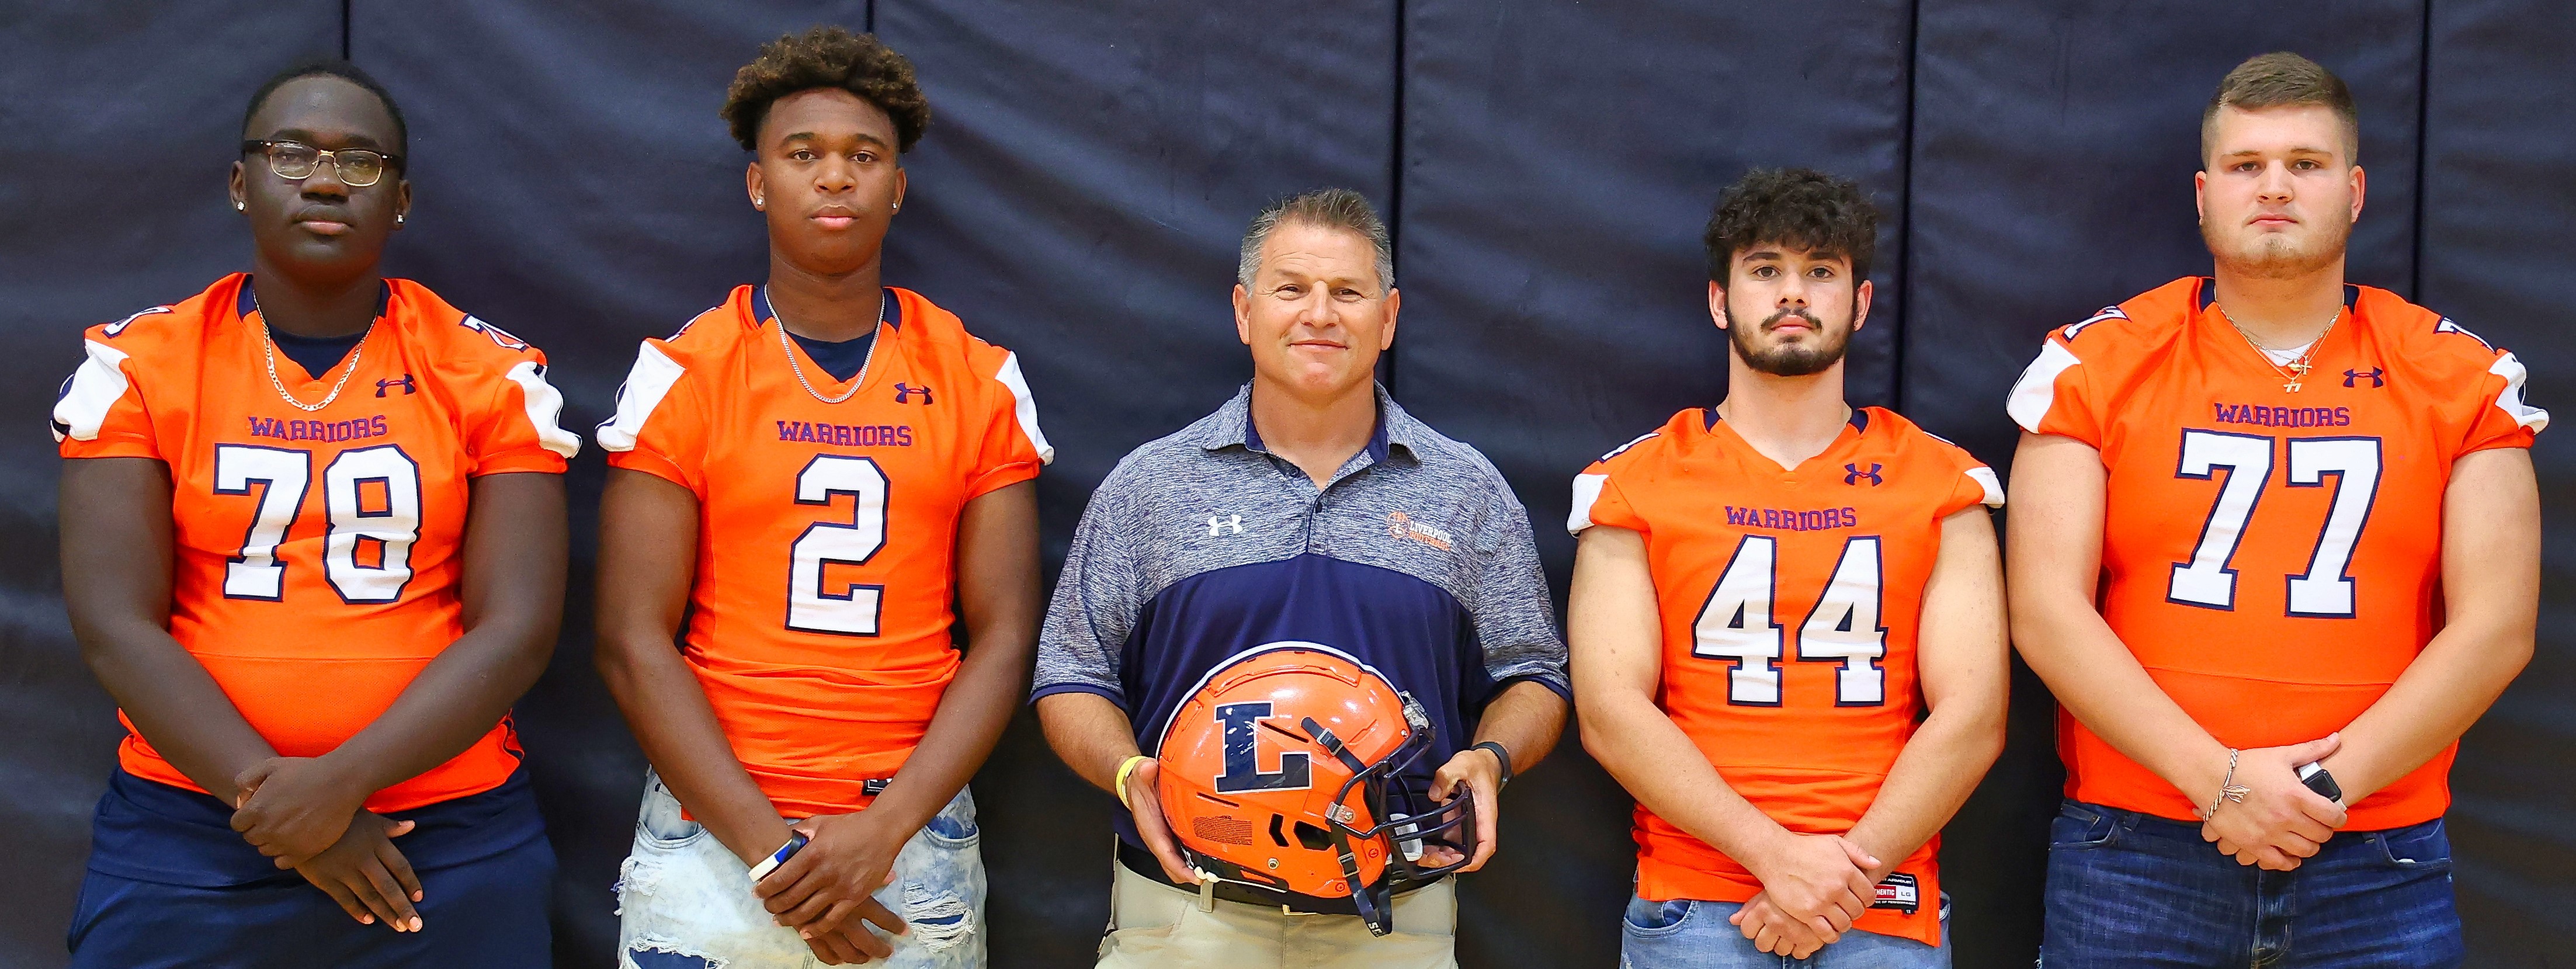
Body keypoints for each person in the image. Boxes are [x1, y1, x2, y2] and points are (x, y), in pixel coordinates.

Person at [2007, 52, 2544, 967]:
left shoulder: (2460, 377)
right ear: (2204, 194)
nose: (2276, 188)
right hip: (2135, 847)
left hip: (2378, 854)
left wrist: (2322, 790)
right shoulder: (2097, 363)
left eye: (2306, 163)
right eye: (2247, 165)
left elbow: (2497, 627)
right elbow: (2045, 610)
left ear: (2356, 191)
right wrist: (2218, 783)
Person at [52, 59, 578, 967]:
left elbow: (518, 629)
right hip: (191, 824)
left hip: (441, 830)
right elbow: (114, 626)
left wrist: (338, 790)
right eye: (292, 154)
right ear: (241, 183)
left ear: (400, 200)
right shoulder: (140, 363)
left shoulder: (487, 372)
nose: (327, 180)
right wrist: (280, 806)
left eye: (361, 161)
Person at [593, 25, 1050, 969]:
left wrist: (884, 829)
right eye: (803, 155)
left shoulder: (977, 377)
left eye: (863, 157)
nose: (835, 177)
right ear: (758, 183)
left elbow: (1005, 636)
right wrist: (772, 852)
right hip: (714, 823)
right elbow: (631, 639)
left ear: (898, 186)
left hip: (908, 827)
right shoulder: (685, 372)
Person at [1032, 187, 1570, 968]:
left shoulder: (1466, 491)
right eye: (1291, 289)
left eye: (1348, 293)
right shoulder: (1148, 486)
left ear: (1388, 318)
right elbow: (1070, 674)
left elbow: (1534, 674)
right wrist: (1126, 773)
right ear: (1244, 311)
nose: (1320, 314)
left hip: (1396, 917)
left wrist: (1492, 757)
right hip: (1187, 915)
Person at [1568, 169, 2008, 967]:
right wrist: (1776, 857)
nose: (1793, 293)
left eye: (1821, 271)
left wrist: (1842, 878)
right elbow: (1610, 713)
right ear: (1720, 300)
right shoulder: (1633, 482)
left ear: (1861, 303)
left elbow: (1974, 716)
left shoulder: (1942, 482)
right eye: (1766, 269)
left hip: (1881, 901)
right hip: (1699, 902)